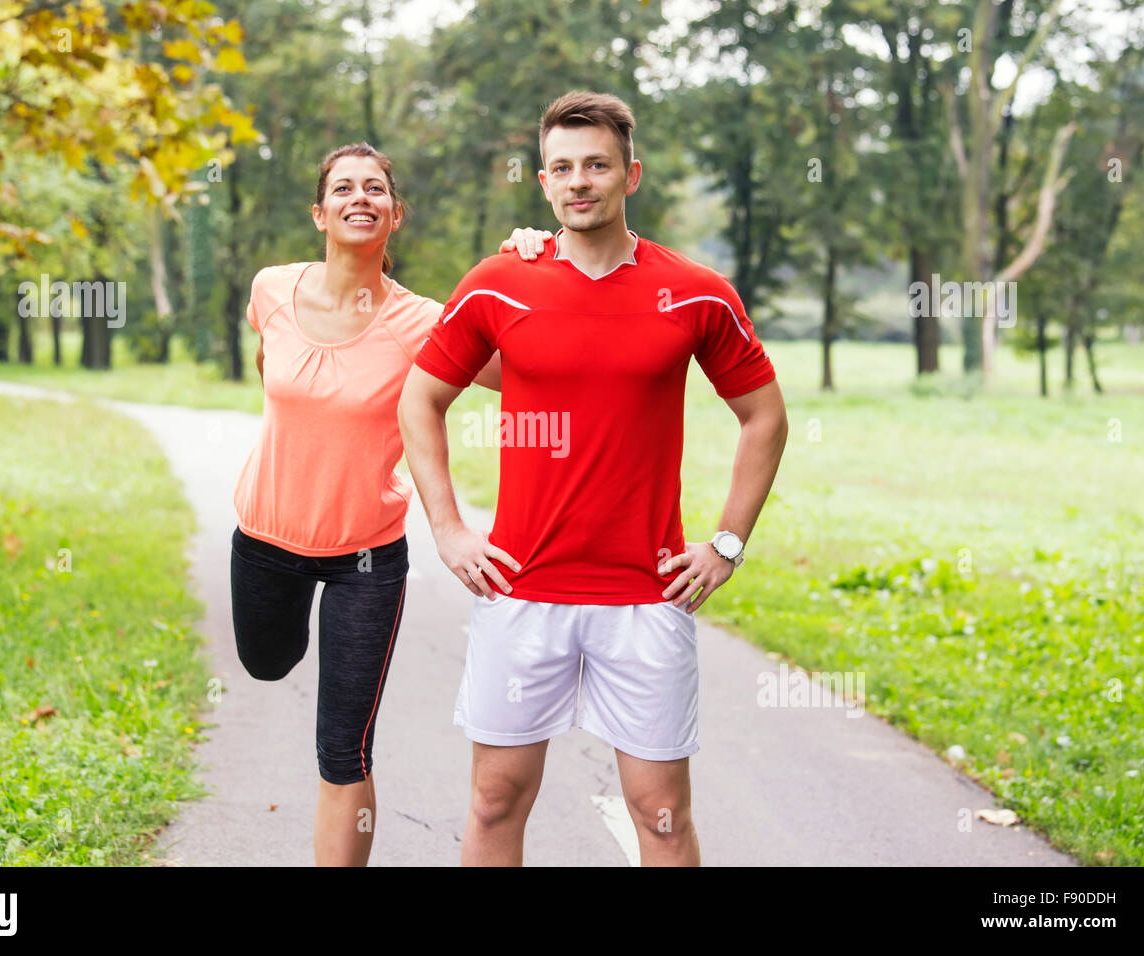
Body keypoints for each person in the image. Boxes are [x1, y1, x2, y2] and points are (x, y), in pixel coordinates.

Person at [398, 91, 790, 866]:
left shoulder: (697, 292)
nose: (580, 181)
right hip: (522, 589)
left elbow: (765, 418)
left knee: (662, 811)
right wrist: (446, 529)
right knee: (493, 801)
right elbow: (420, 398)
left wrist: (727, 543)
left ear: (630, 175)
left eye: (597, 166)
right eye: (563, 168)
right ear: (543, 183)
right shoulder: (500, 283)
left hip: (645, 595)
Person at [230, 141, 551, 867]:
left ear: (395, 214)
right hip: (265, 538)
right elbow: (269, 372)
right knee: (266, 664)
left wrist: (531, 267)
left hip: (365, 560)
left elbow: (525, 366)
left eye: (375, 188)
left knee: (344, 749)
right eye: (342, 187)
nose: (359, 197)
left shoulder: (422, 323)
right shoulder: (272, 289)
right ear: (320, 212)